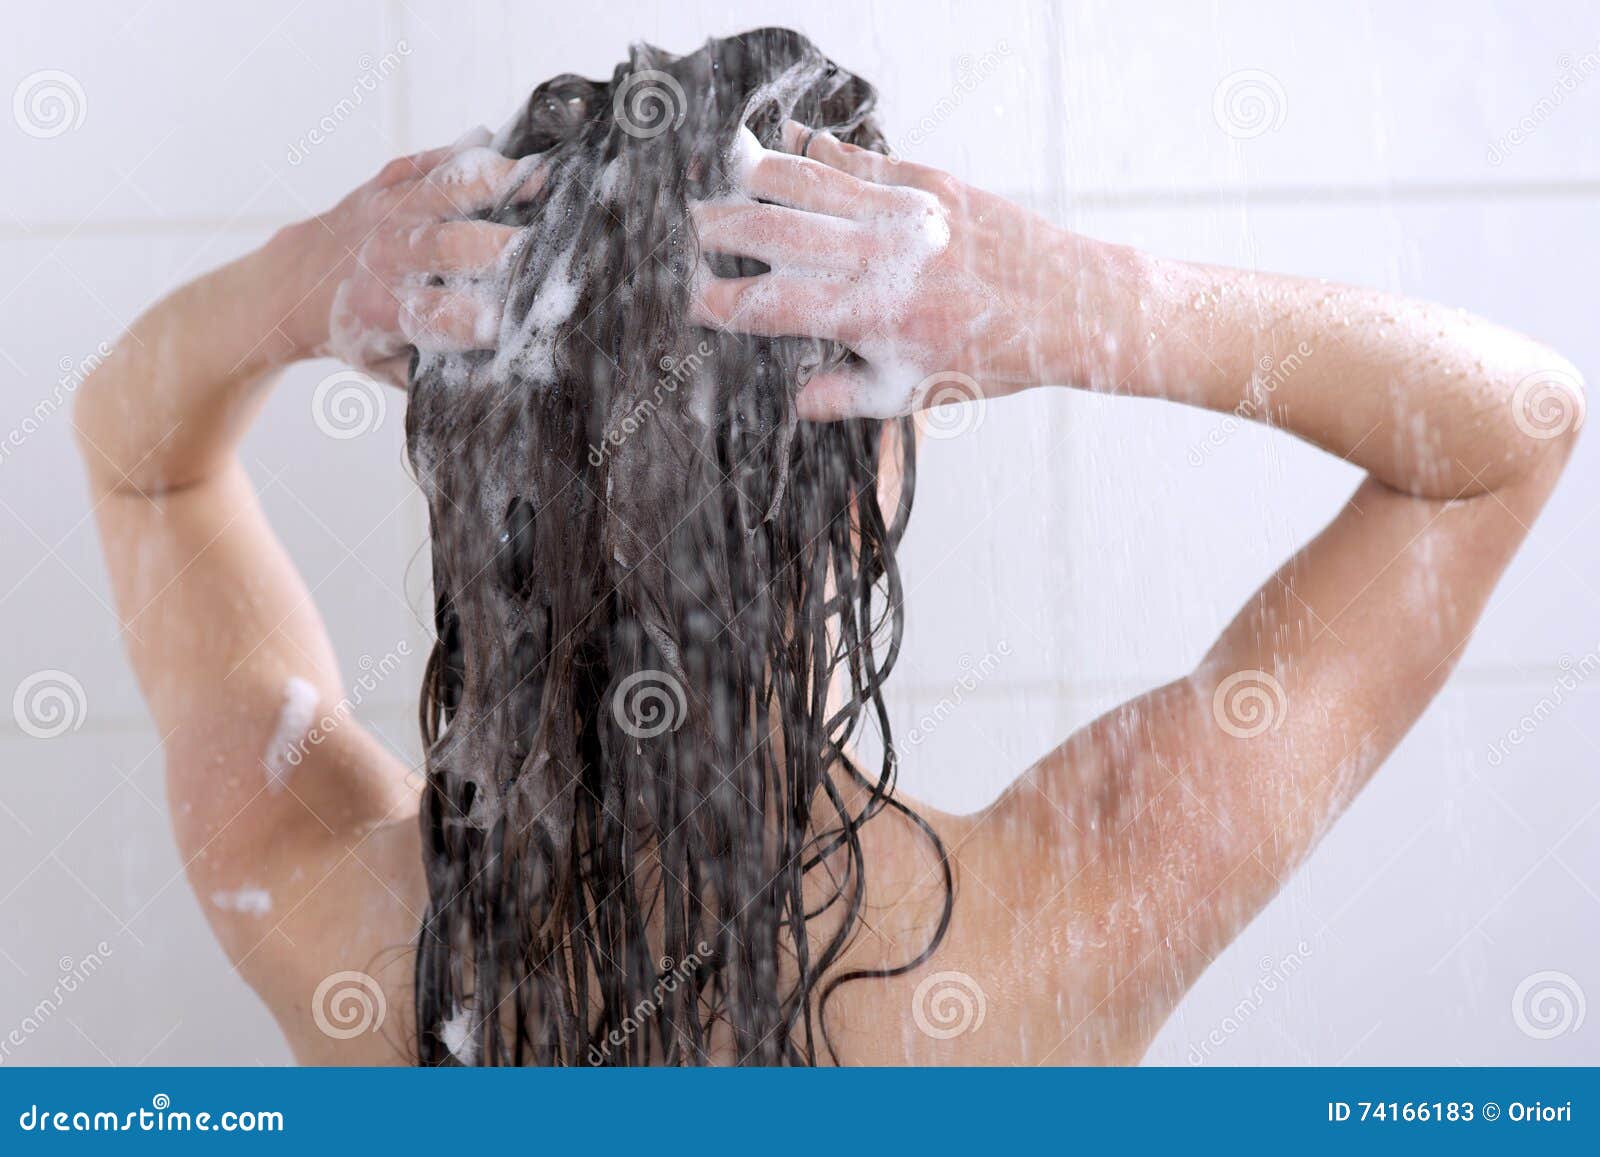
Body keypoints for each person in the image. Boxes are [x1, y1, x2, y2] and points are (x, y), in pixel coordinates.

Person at [74, 30, 1581, 1065]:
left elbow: (139, 469)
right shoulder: (1040, 942)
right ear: (865, 487)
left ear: (480, 493)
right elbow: (1509, 432)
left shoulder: (341, 927)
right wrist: (1098, 303)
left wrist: (289, 288)